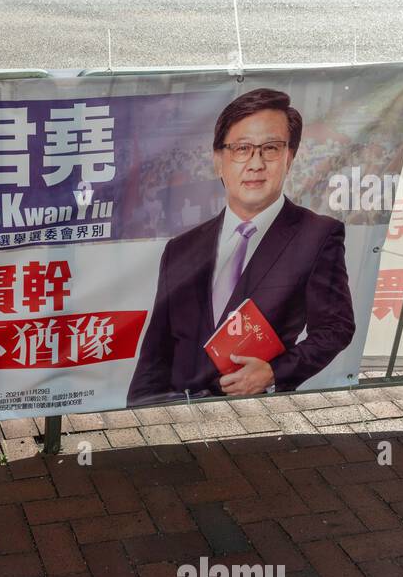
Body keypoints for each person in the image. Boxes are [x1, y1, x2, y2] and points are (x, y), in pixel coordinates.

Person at [126, 88, 356, 405]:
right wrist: (140, 412)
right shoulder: (181, 248)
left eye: (271, 149)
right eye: (242, 148)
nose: (256, 163)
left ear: (289, 157)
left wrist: (274, 372)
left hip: (254, 410)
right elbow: (156, 352)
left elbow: (335, 327)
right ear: (219, 160)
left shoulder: (316, 235)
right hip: (175, 409)